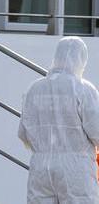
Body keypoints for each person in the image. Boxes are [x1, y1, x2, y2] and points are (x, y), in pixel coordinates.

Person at [18, 36, 99, 203]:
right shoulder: (83, 89)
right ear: (81, 60)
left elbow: (23, 133)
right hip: (76, 167)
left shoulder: (35, 88)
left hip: (41, 166)